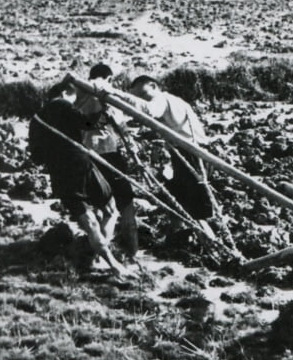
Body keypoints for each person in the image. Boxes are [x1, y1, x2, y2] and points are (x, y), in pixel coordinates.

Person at [28, 76, 126, 276]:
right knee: (110, 210)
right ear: (65, 93)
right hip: (81, 165)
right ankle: (100, 258)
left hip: (59, 174)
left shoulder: (35, 121)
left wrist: (53, 152)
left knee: (89, 222)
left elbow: (36, 158)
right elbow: (90, 123)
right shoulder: (64, 105)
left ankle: (110, 262)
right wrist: (105, 110)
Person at [124, 75, 214, 226]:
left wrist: (120, 95)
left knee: (195, 204)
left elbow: (150, 111)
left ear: (154, 86)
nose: (142, 99)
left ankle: (204, 238)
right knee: (179, 196)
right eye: (137, 97)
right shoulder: (173, 101)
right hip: (187, 152)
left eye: (143, 95)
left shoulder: (161, 99)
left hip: (192, 152)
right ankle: (186, 233)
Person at [69, 64, 138, 259]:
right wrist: (130, 143)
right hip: (109, 154)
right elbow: (119, 123)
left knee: (99, 206)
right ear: (109, 78)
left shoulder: (78, 95)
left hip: (86, 155)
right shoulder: (104, 90)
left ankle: (99, 256)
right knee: (125, 205)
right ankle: (132, 253)